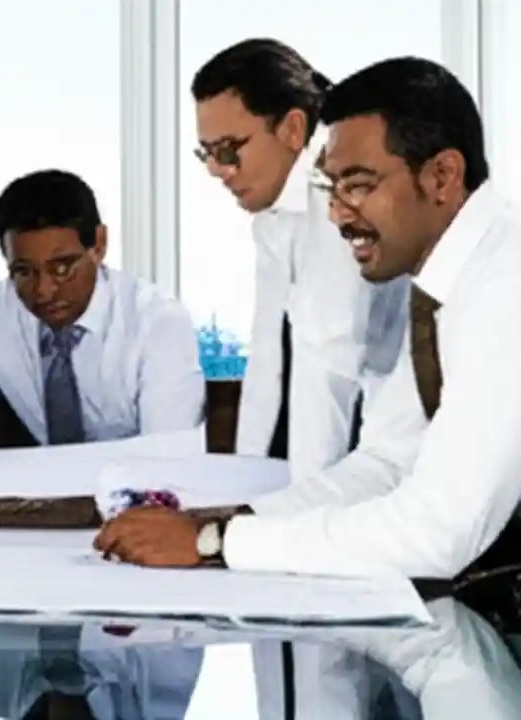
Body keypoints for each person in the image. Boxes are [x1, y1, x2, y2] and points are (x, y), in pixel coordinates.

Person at [97, 57, 521, 711]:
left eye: (358, 186)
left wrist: (215, 544)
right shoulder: (453, 278)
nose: (338, 214)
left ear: (442, 176)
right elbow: (387, 461)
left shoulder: (514, 289)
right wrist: (233, 521)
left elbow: (440, 532)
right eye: (331, 187)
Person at [0, 170, 205, 719]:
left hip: (135, 554)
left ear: (100, 244)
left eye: (63, 266)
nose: (44, 291)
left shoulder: (156, 322)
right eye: (23, 272)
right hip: (26, 550)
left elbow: (169, 469)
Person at [190, 38, 411, 720]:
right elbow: (271, 371)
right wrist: (246, 498)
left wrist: (279, 524)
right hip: (294, 498)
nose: (219, 172)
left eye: (230, 150)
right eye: (206, 155)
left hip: (357, 495)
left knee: (334, 687)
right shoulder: (276, 214)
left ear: (291, 128)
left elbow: (334, 388)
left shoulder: (339, 207)